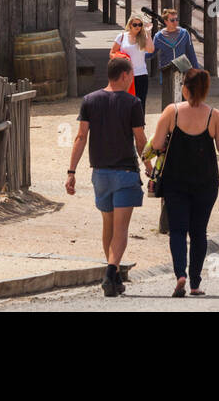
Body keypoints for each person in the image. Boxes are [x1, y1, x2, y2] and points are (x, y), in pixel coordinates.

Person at [66, 57, 146, 297]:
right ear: (123, 75)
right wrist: (150, 165)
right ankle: (112, 272)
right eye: (131, 74)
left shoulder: (89, 100)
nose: (132, 78)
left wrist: (71, 171)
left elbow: (81, 137)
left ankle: (112, 274)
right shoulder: (133, 103)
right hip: (125, 172)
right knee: (121, 229)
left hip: (99, 172)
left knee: (108, 225)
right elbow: (140, 140)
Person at [152, 68, 219, 297]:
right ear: (205, 91)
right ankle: (195, 283)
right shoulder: (214, 116)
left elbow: (157, 144)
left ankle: (180, 275)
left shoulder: (172, 112)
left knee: (177, 230)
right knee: (199, 232)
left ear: (184, 88)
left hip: (175, 181)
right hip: (205, 183)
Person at [152, 9, 199, 102]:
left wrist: (196, 71)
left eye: (176, 19)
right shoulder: (158, 37)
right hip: (167, 73)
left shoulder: (185, 33)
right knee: (168, 100)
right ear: (165, 21)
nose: (175, 22)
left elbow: (191, 54)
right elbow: (151, 53)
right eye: (172, 20)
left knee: (185, 100)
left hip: (184, 70)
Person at [108, 15, 151, 108]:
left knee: (140, 102)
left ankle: (139, 122)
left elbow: (151, 50)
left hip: (141, 74)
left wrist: (148, 34)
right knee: (125, 102)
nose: (137, 27)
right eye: (135, 24)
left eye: (140, 25)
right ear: (130, 25)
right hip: (125, 75)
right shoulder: (122, 36)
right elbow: (112, 53)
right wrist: (122, 58)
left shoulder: (144, 37)